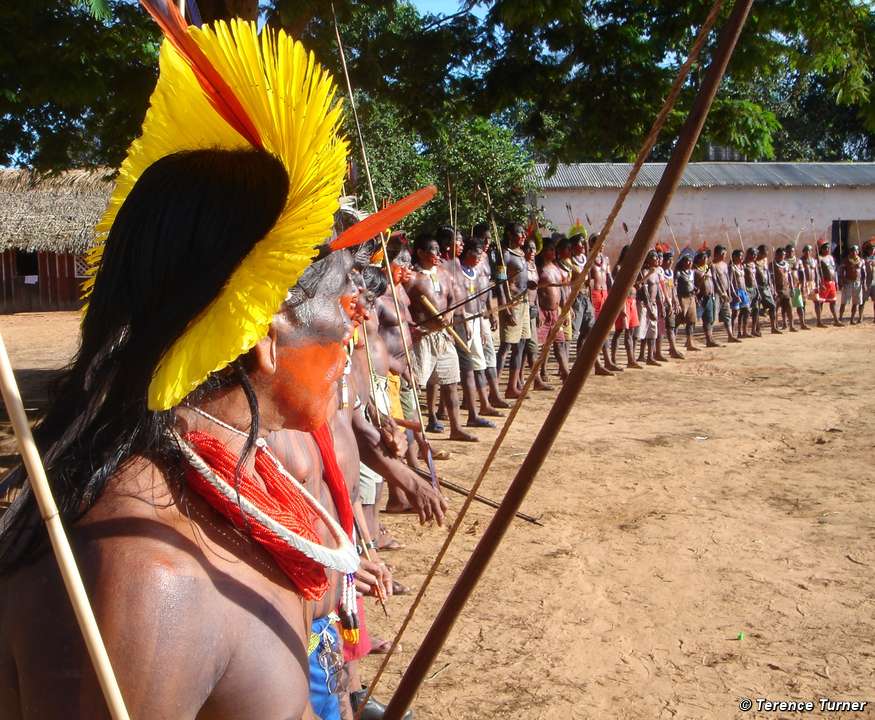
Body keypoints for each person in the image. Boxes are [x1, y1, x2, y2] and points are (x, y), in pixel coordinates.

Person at [405, 232, 477, 441]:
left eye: (437, 250)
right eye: (432, 250)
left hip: (444, 336)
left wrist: (448, 314)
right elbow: (403, 306)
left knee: (451, 382)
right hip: (423, 337)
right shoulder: (411, 278)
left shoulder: (444, 273)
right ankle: (418, 438)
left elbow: (454, 298)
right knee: (415, 386)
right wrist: (414, 328)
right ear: (420, 252)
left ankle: (456, 428)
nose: (437, 254)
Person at [454, 237, 500, 427]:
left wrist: (482, 323)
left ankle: (483, 403)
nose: (480, 258)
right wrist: (465, 320)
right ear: (469, 253)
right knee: (471, 366)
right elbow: (459, 299)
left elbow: (480, 299)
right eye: (477, 254)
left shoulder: (475, 271)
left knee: (480, 363)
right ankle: (477, 407)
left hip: (477, 319)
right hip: (463, 321)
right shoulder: (458, 272)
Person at [472, 222, 510, 409]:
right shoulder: (470, 258)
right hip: (471, 314)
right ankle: (482, 401)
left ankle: (494, 394)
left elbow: (489, 286)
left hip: (484, 314)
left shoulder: (489, 258)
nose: (488, 242)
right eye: (484, 238)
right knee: (476, 360)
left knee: (489, 356)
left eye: (489, 238)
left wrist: (492, 311)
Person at [496, 222, 533, 398]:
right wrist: (506, 308)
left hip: (524, 302)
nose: (524, 236)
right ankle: (493, 388)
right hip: (512, 304)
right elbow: (501, 283)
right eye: (520, 233)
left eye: (524, 233)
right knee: (506, 346)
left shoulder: (522, 254)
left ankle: (512, 386)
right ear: (510, 235)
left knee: (521, 344)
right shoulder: (505, 255)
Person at [536, 237, 571, 381]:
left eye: (554, 249)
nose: (554, 252)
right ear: (543, 251)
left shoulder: (556, 268)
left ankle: (565, 372)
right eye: (550, 249)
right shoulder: (539, 270)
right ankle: (541, 373)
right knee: (542, 346)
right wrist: (538, 311)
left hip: (556, 312)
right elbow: (535, 292)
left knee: (559, 343)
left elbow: (562, 290)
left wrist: (566, 309)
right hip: (543, 312)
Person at [589, 234, 623, 371]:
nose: (602, 245)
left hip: (605, 295)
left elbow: (609, 278)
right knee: (595, 331)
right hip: (594, 295)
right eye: (599, 242)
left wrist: (614, 294)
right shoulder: (588, 259)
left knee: (606, 329)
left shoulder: (606, 259)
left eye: (603, 242)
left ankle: (608, 361)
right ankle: (597, 363)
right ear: (592, 244)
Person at [610, 244, 643, 368]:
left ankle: (631, 359)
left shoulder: (632, 267)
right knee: (619, 331)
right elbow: (617, 287)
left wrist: (636, 286)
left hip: (632, 301)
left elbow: (632, 284)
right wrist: (622, 305)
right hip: (622, 302)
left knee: (631, 331)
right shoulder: (618, 268)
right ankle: (612, 359)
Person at [638, 250, 663, 365]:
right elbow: (645, 291)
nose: (657, 259)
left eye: (658, 257)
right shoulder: (645, 272)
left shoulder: (656, 273)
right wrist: (648, 308)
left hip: (653, 304)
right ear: (648, 259)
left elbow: (657, 291)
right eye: (655, 258)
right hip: (645, 305)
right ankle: (641, 355)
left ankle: (650, 356)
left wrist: (661, 305)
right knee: (643, 330)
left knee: (653, 331)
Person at [711, 245, 740, 343]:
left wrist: (730, 292)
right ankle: (710, 338)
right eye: (723, 254)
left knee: (728, 315)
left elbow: (728, 279)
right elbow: (714, 280)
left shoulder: (724, 265)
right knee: (713, 316)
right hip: (717, 294)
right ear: (717, 254)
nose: (724, 256)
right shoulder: (713, 265)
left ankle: (730, 336)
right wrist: (720, 292)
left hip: (725, 293)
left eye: (725, 254)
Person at [659, 249, 684, 359]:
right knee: (661, 328)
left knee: (670, 326)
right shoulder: (660, 272)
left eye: (671, 260)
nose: (670, 262)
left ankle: (672, 348)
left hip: (670, 303)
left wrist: (676, 301)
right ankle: (657, 352)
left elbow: (672, 288)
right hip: (662, 302)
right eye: (668, 260)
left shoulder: (670, 273)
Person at [816, 241, 843, 327]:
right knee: (820, 302)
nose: (827, 249)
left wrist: (836, 282)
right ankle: (819, 321)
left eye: (828, 248)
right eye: (825, 248)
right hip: (824, 282)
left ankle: (836, 320)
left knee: (833, 301)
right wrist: (820, 283)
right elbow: (817, 272)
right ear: (821, 249)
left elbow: (834, 270)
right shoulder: (819, 259)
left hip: (832, 282)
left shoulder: (831, 257)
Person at [675, 253, 699, 351]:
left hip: (691, 297)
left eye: (690, 261)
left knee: (691, 321)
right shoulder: (678, 273)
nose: (689, 263)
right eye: (687, 261)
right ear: (683, 262)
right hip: (682, 298)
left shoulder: (692, 272)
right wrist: (675, 299)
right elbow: (675, 285)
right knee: (677, 321)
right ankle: (673, 344)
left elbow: (692, 284)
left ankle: (689, 342)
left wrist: (695, 289)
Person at [755, 244, 781, 334]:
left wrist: (771, 286)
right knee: (756, 309)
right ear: (759, 253)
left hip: (766, 287)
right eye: (764, 253)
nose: (766, 255)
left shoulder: (765, 260)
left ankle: (773, 327)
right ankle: (757, 329)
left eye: (766, 253)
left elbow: (768, 274)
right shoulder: (754, 262)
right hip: (758, 287)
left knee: (772, 306)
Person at [772, 246, 797, 332]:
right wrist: (773, 290)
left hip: (786, 289)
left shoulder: (786, 264)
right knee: (775, 308)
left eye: (783, 255)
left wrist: (792, 287)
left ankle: (792, 326)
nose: (782, 256)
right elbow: (771, 278)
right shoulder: (772, 264)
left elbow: (789, 276)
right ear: (776, 255)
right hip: (777, 289)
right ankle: (774, 327)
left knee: (789, 307)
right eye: (781, 254)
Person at [839, 244, 865, 324]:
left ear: (858, 252)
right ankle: (840, 318)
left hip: (858, 282)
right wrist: (842, 280)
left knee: (856, 302)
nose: (854, 252)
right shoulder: (846, 260)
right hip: (848, 282)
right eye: (852, 250)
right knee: (844, 302)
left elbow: (864, 272)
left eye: (856, 250)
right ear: (850, 252)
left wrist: (864, 283)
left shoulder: (861, 261)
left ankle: (852, 319)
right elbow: (842, 271)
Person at [729, 249, 751, 338]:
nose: (741, 258)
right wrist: (734, 294)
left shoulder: (742, 266)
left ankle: (744, 331)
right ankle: (732, 333)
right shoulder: (732, 267)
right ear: (734, 257)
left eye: (742, 256)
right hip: (736, 291)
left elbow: (744, 280)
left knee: (746, 311)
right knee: (735, 313)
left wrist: (746, 291)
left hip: (743, 291)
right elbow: (730, 282)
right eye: (739, 256)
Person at [795, 244, 817, 330]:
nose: (808, 252)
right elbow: (797, 272)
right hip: (804, 283)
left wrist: (818, 283)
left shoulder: (814, 261)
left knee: (817, 301)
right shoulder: (800, 261)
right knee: (802, 303)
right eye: (806, 250)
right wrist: (800, 283)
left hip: (813, 283)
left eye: (809, 250)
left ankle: (819, 321)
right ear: (803, 252)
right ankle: (802, 323)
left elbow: (817, 272)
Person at [743, 247, 762, 337]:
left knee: (756, 310)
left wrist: (757, 290)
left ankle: (754, 330)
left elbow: (755, 278)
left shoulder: (754, 264)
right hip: (747, 289)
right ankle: (744, 331)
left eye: (755, 254)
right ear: (748, 254)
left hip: (755, 288)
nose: (754, 256)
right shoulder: (743, 264)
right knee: (746, 311)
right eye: (753, 254)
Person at [862, 241, 875, 324]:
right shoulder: (863, 259)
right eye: (871, 249)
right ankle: (860, 317)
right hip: (866, 283)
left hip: (874, 282)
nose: (872, 250)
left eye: (873, 249)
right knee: (862, 301)